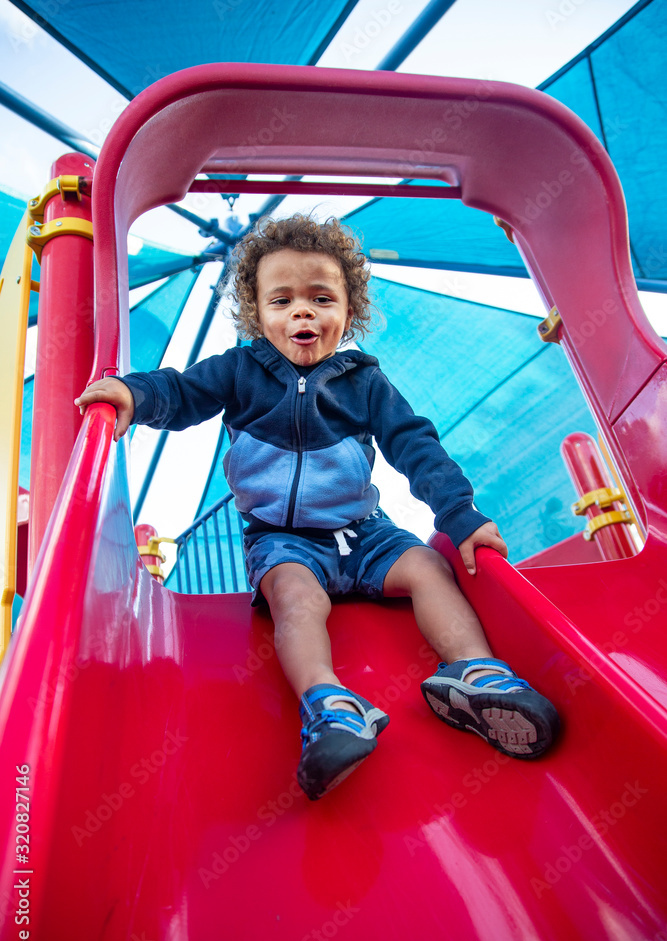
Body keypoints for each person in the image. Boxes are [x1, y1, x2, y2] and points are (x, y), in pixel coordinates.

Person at [75, 214, 559, 800]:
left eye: (320, 298)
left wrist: (459, 516)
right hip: (283, 539)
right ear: (259, 315)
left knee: (429, 568)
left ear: (347, 312)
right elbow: (181, 393)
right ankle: (328, 704)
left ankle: (476, 674)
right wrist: (135, 392)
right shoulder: (239, 371)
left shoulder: (364, 382)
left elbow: (415, 446)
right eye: (282, 300)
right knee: (293, 597)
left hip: (366, 532)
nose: (302, 312)